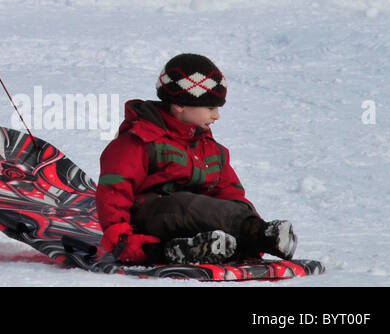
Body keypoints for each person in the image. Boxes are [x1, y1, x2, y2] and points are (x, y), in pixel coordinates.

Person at [96, 53, 297, 264]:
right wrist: (122, 240)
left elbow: (229, 190)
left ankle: (197, 248)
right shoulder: (140, 141)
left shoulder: (208, 146)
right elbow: (114, 191)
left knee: (225, 206)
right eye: (210, 108)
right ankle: (259, 235)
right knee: (188, 204)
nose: (216, 115)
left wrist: (249, 218)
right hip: (147, 218)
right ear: (180, 105)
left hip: (190, 218)